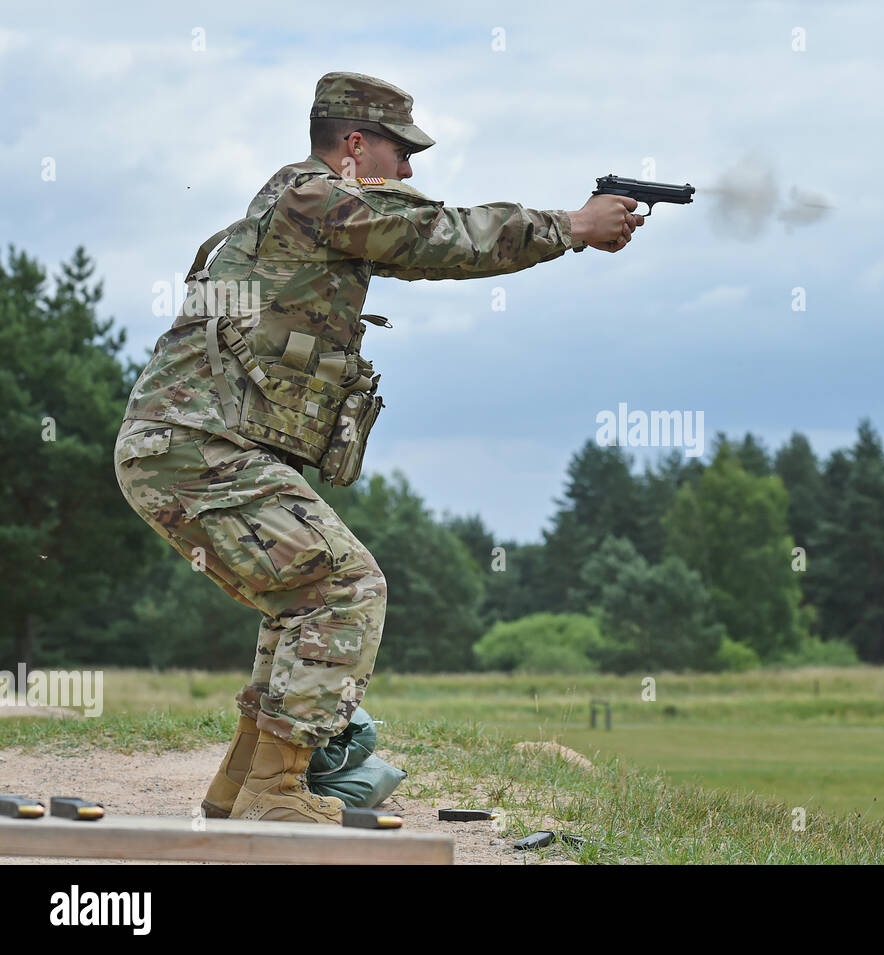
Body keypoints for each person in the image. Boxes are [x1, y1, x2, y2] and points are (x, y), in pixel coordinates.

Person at [113, 71, 643, 824]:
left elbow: (418, 232)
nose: (411, 170)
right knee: (345, 587)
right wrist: (571, 226)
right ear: (355, 147)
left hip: (187, 447)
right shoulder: (312, 195)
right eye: (401, 152)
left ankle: (243, 785)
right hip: (195, 447)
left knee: (303, 596)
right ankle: (277, 793)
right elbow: (436, 235)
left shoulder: (297, 211)